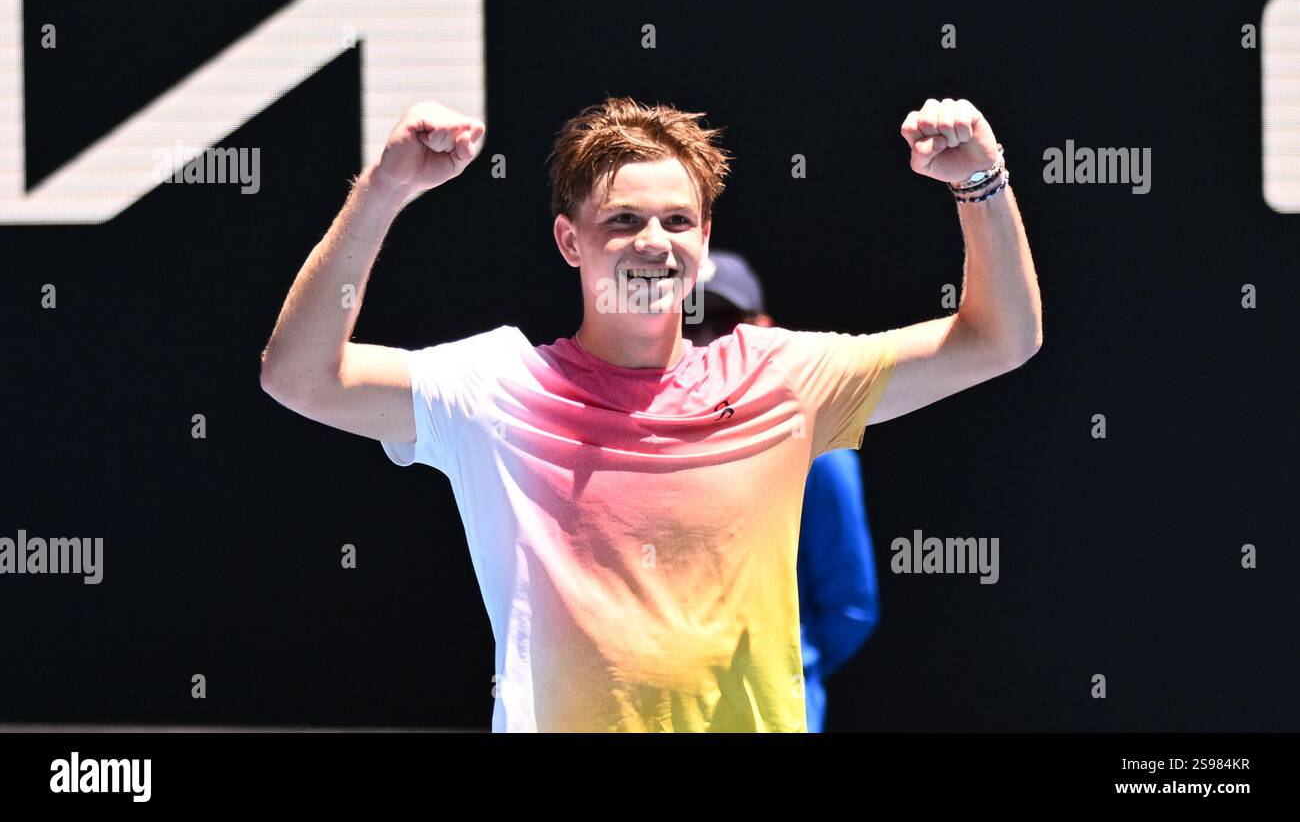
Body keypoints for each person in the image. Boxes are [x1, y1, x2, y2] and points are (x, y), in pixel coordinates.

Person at [259, 96, 1042, 731]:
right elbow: (299, 377)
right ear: (571, 241)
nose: (652, 243)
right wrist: (385, 189)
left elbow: (999, 338)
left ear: (704, 240)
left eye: (676, 221)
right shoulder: (495, 386)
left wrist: (982, 181)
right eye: (623, 221)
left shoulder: (785, 375)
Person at [682, 250, 881, 733]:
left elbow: (850, 606)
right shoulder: (634, 438)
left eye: (724, 322)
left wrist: (784, 668)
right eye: (687, 322)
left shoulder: (816, 449)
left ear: (764, 329)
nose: (704, 340)